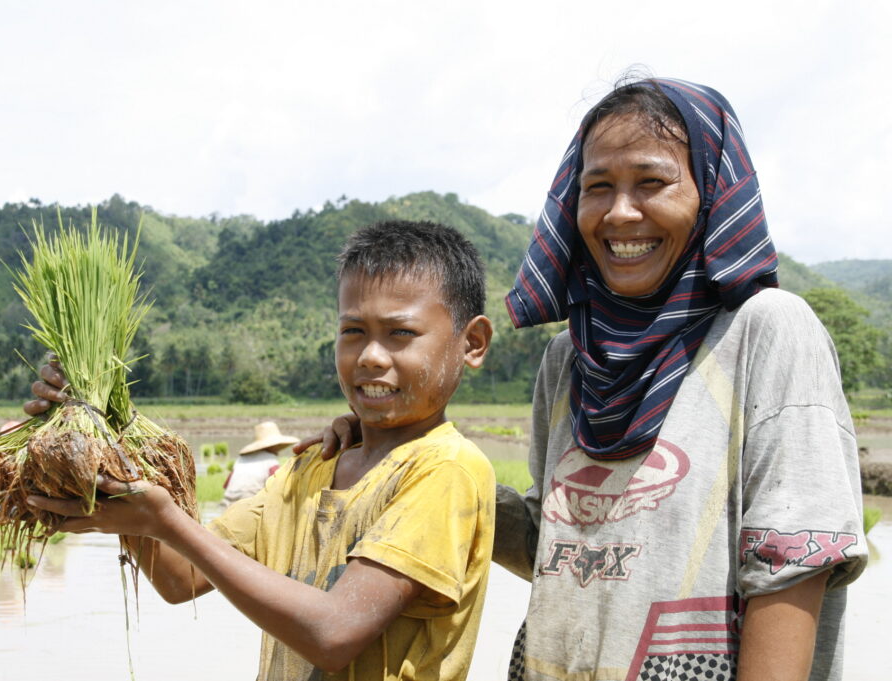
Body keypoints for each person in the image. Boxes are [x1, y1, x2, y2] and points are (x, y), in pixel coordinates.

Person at [300, 78, 867, 681]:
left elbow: (790, 563)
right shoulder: (571, 358)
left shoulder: (766, 332)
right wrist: (402, 453)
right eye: (598, 187)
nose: (621, 213)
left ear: (712, 195)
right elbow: (553, 544)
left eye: (652, 183)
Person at [26, 220, 497, 680]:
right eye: (353, 331)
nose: (371, 355)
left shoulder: (447, 470)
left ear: (472, 343)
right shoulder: (311, 468)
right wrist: (101, 444)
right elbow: (181, 577)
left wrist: (165, 520)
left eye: (401, 333)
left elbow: (334, 633)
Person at [222, 421, 296, 506]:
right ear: (273, 446)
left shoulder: (241, 459)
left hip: (227, 503)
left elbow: (226, 485)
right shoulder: (270, 460)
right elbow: (280, 485)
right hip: (248, 504)